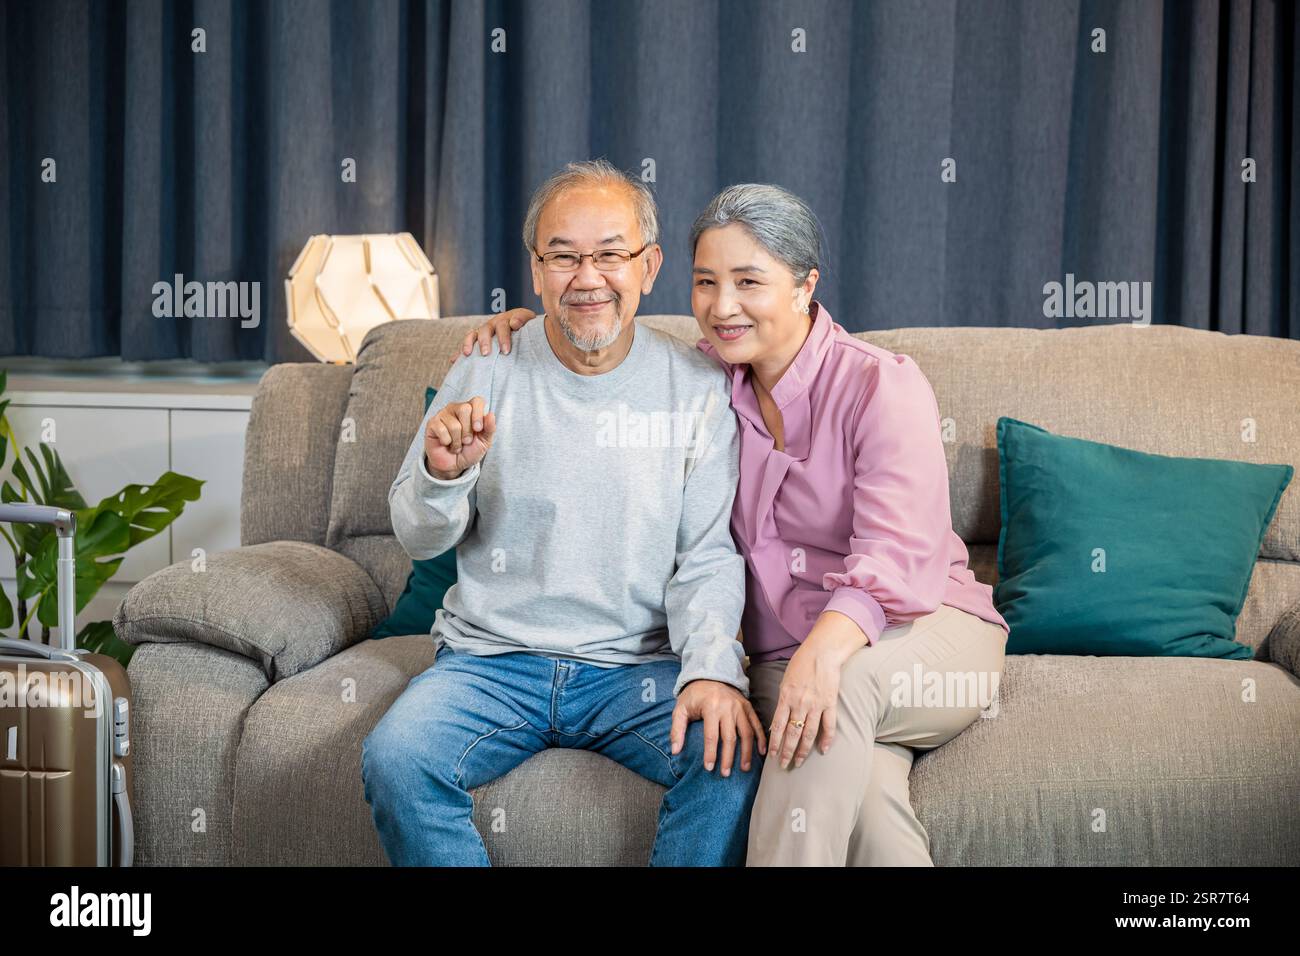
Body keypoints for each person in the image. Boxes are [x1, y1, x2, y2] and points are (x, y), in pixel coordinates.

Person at [459, 182, 1010, 866]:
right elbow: (598, 351)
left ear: (805, 285)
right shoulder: (705, 382)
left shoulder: (880, 386)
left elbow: (896, 558)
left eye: (749, 281)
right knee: (869, 808)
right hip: (786, 657)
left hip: (920, 634)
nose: (723, 307)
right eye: (706, 282)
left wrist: (824, 653)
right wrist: (525, 326)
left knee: (830, 706)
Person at [361, 160, 766, 867]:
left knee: (728, 759)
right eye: (563, 256)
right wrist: (441, 473)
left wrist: (709, 672)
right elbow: (419, 536)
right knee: (395, 757)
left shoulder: (699, 387)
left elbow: (706, 555)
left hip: (636, 669)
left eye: (611, 254)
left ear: (648, 265)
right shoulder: (486, 364)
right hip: (490, 662)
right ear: (536, 268)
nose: (587, 278)